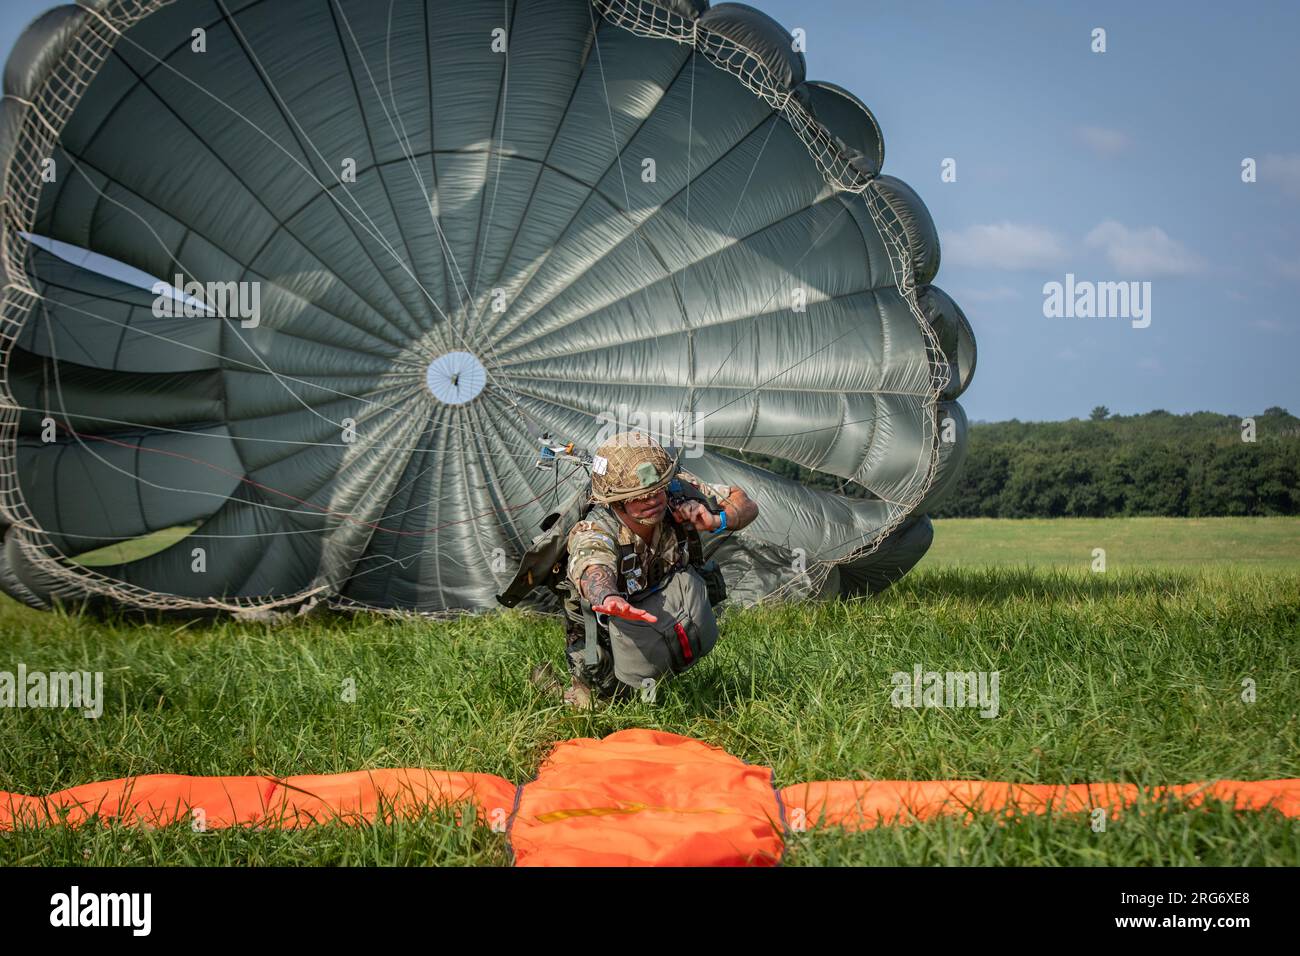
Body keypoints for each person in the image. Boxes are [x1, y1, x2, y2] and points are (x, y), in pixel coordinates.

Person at [531, 430, 758, 708]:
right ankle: (554, 690)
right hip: (606, 625)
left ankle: (657, 670)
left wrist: (717, 519)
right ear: (615, 501)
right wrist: (608, 598)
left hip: (657, 606)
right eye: (639, 496)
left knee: (657, 681)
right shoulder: (595, 529)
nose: (653, 500)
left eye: (657, 490)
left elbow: (744, 503)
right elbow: (592, 567)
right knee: (601, 706)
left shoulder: (676, 491)